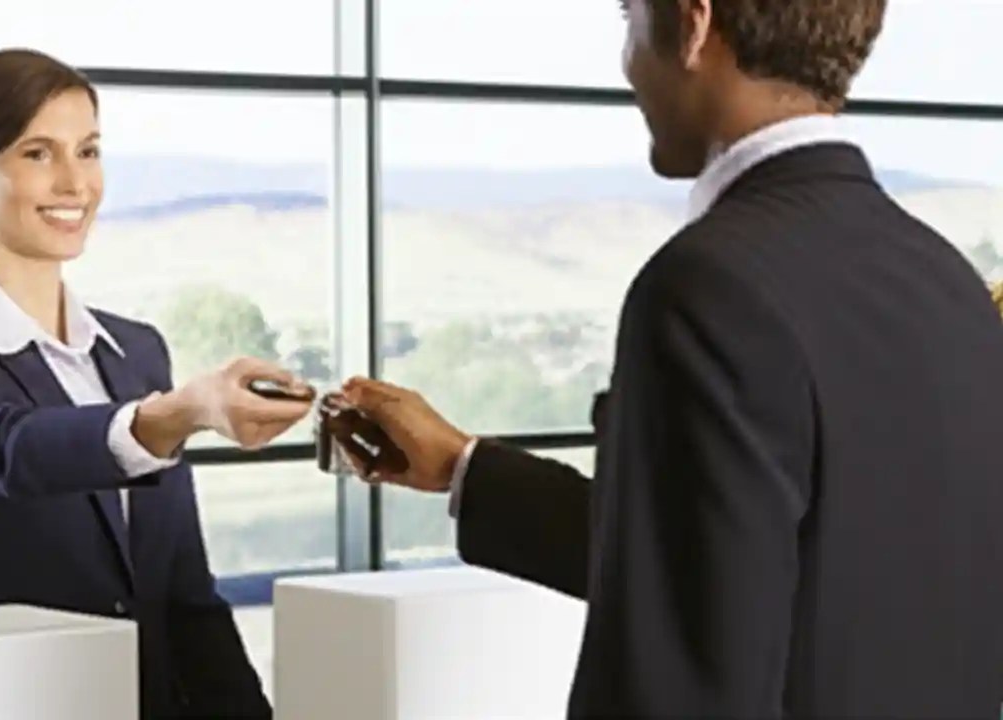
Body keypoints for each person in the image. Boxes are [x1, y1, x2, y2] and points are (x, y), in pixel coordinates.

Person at [341, 0, 1003, 716]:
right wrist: (464, 468)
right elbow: (757, 568)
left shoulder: (706, 291)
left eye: (627, 16)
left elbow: (676, 669)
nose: (625, 58)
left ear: (692, 25)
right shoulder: (948, 283)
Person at [0, 48, 311, 718]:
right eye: (38, 154)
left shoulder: (136, 352)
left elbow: (185, 592)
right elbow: (9, 449)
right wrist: (180, 411)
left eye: (89, 151)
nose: (75, 182)